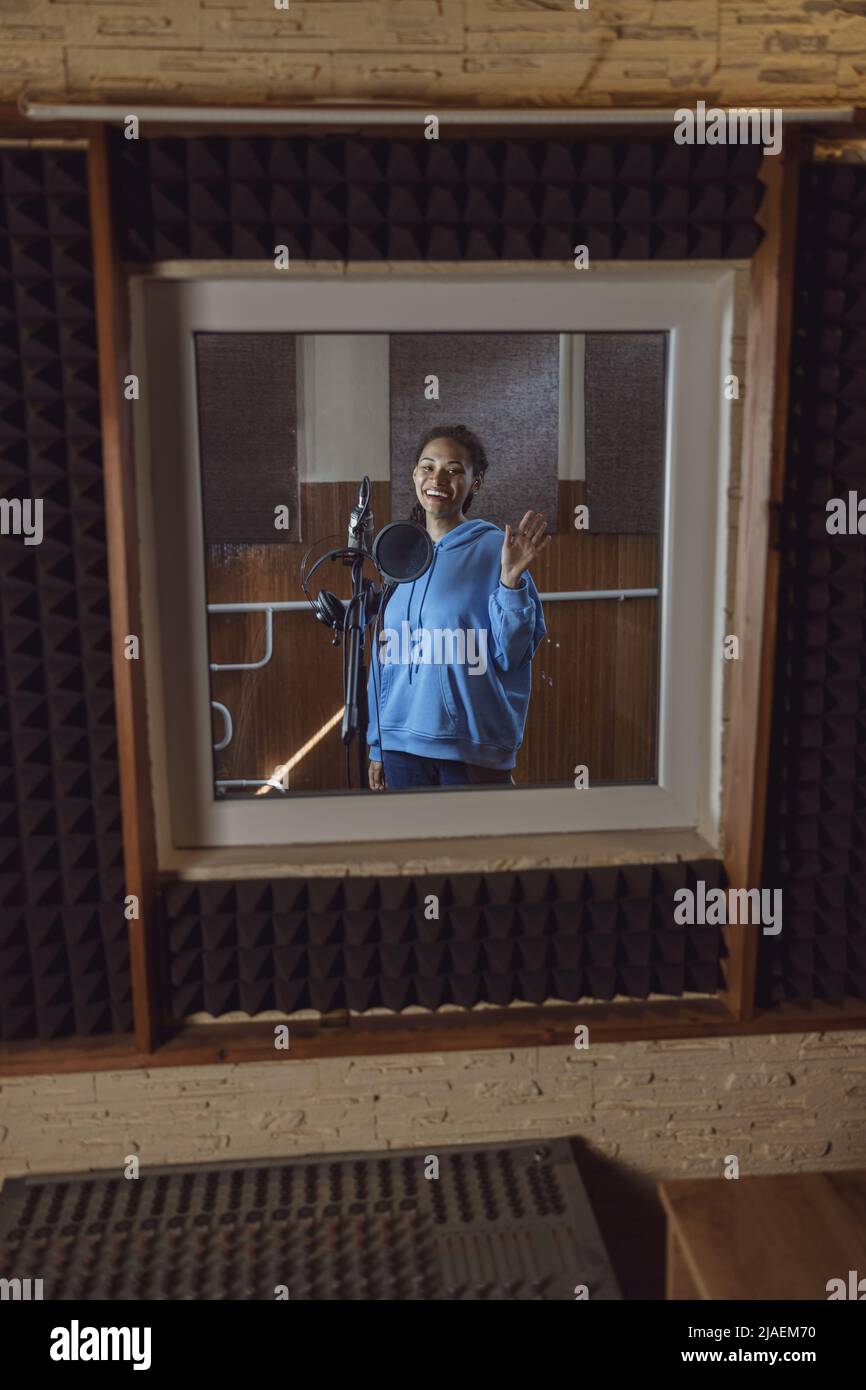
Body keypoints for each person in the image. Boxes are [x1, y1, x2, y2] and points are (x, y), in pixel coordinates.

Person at [367, 423, 548, 791]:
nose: (438, 478)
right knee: (415, 849)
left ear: (474, 482)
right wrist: (377, 743)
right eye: (428, 466)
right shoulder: (399, 551)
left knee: (480, 849)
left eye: (453, 470)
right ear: (414, 474)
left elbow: (513, 654)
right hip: (400, 744)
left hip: (469, 748)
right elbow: (384, 657)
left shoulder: (497, 549)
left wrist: (511, 582)